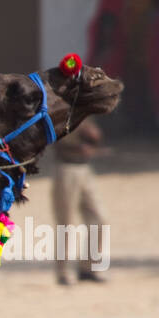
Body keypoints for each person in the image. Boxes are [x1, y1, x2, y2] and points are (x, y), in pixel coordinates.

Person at [52, 117, 108, 285]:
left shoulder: (86, 111)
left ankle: (88, 267)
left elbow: (95, 134)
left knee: (99, 220)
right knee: (66, 223)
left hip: (84, 168)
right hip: (66, 167)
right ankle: (63, 271)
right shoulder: (64, 110)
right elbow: (58, 137)